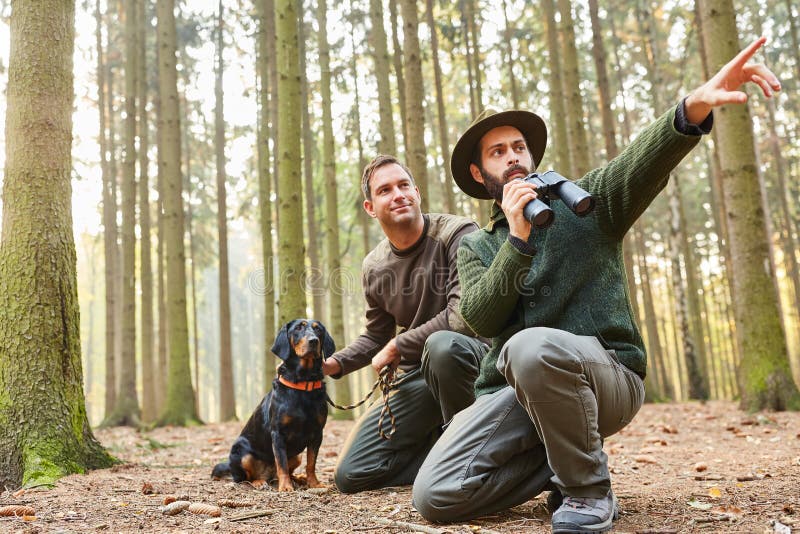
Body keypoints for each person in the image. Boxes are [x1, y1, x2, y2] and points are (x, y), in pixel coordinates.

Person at [412, 37, 781, 533]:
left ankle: (587, 491)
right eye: (498, 152)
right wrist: (517, 240)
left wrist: (692, 107)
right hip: (515, 395)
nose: (513, 157)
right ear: (480, 174)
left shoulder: (588, 202)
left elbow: (642, 161)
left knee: (529, 347)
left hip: (607, 378)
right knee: (435, 493)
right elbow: (479, 317)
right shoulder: (477, 245)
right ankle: (562, 462)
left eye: (519, 147)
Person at [323, 154, 486, 493]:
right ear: (370, 208)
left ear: (417, 192)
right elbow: (376, 336)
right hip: (417, 378)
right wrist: (333, 364)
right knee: (351, 474)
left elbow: (463, 316)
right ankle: (441, 457)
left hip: (471, 364)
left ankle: (472, 457)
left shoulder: (458, 233)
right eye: (385, 190)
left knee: (442, 347)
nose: (397, 195)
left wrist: (399, 345)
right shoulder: (374, 266)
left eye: (403, 186)